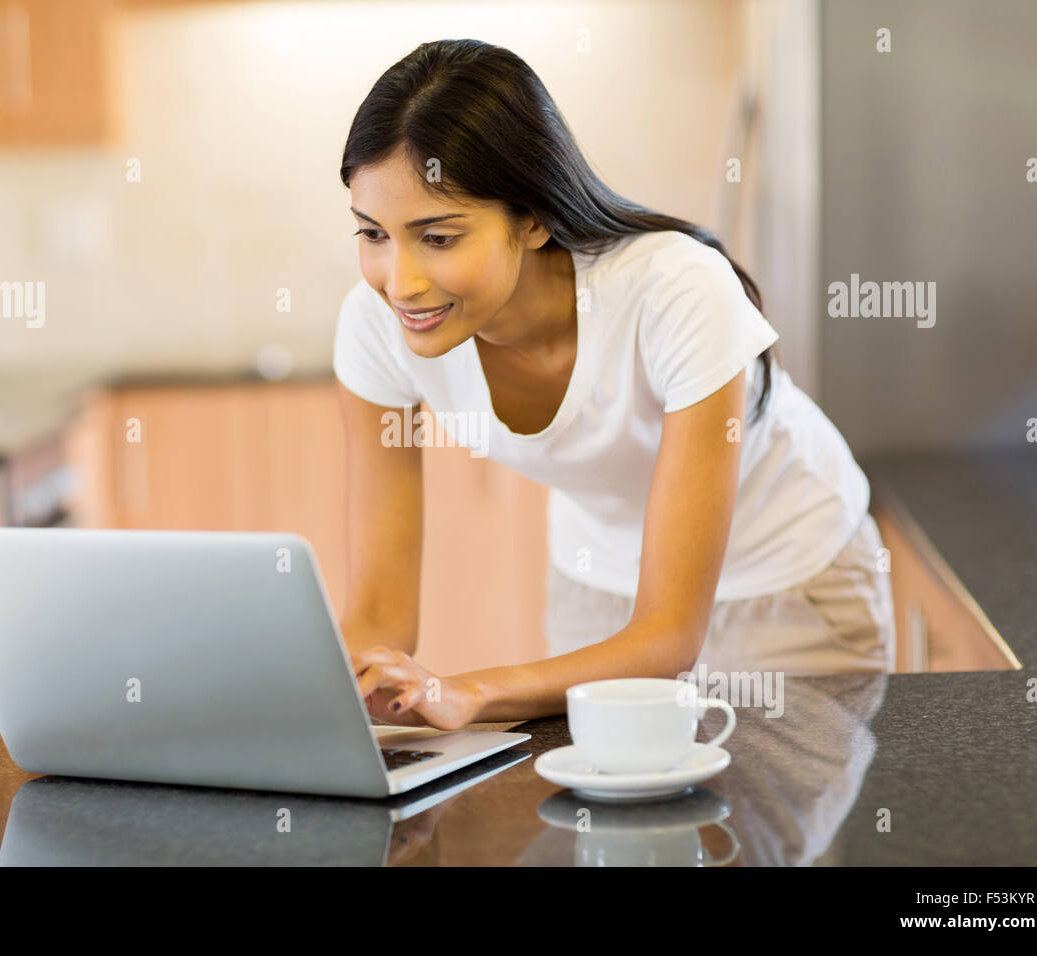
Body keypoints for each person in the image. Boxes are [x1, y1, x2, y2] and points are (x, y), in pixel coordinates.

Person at [333, 39, 894, 731]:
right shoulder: (374, 325)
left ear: (533, 217)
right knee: (599, 830)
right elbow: (380, 617)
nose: (401, 282)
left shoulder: (674, 291)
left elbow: (666, 637)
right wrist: (313, 693)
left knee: (770, 831)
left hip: (787, 583)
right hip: (595, 587)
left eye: (439, 238)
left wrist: (470, 692)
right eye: (372, 234)